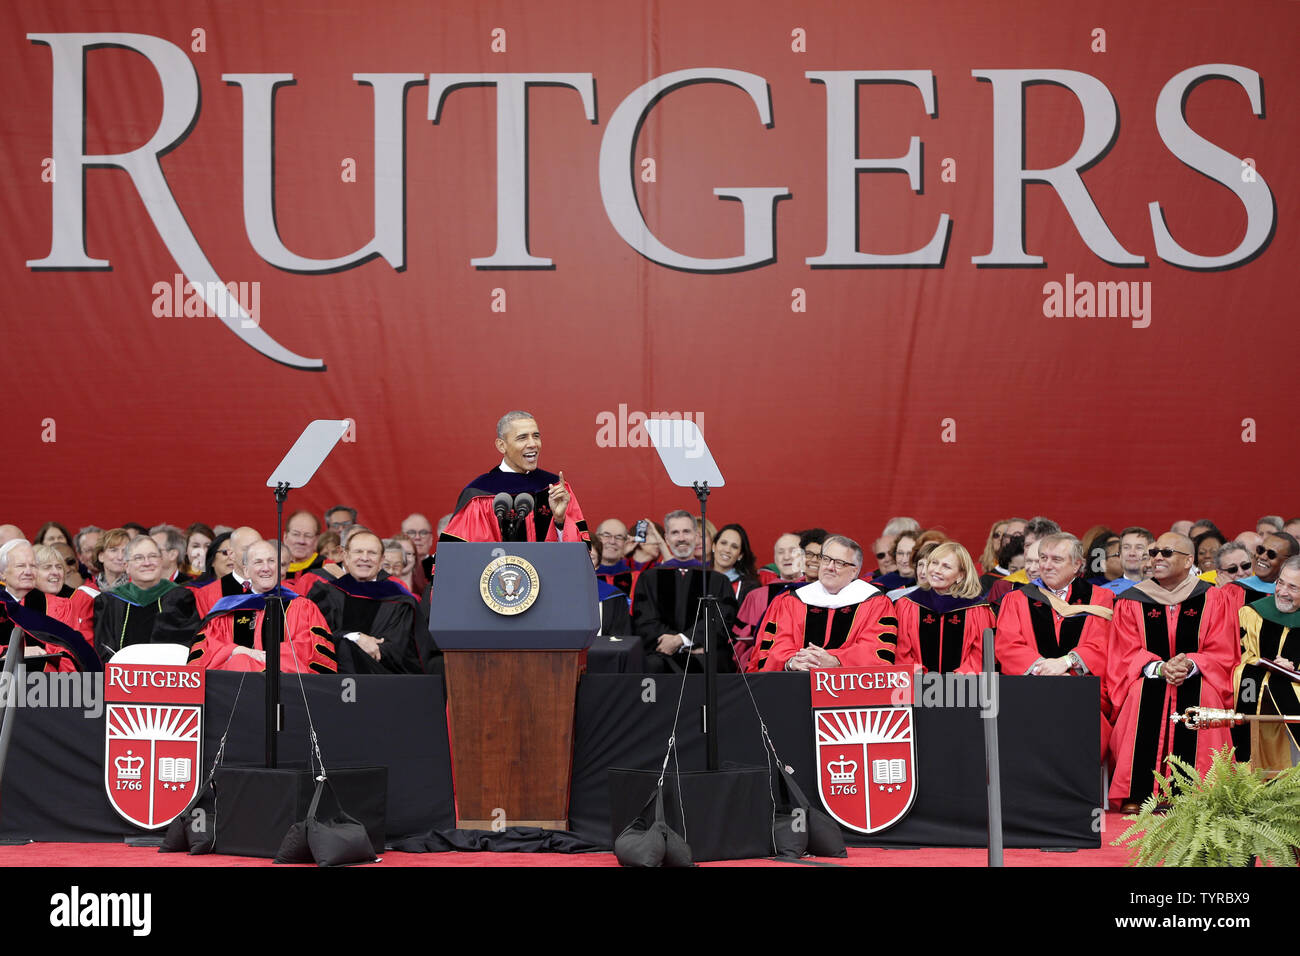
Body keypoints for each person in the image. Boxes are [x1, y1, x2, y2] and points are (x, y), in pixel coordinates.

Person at [1106, 532, 1237, 812]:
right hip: (1150, 676)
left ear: (1189, 560)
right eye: (1154, 553)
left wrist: (1190, 664)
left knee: (1207, 695)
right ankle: (1138, 790)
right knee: (1140, 692)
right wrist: (1160, 667)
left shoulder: (1213, 597)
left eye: (1166, 553)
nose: (1157, 558)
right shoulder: (1133, 599)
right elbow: (1124, 652)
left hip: (1199, 676)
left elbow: (1223, 650)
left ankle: (1203, 792)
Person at [995, 532, 1114, 754]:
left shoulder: (1100, 598)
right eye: (1043, 558)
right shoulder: (1017, 599)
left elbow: (1103, 644)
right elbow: (1008, 645)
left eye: (1056, 559)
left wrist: (1067, 663)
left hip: (1082, 691)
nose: (1046, 565)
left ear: (1077, 564)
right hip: (1030, 689)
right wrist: (1045, 668)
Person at [436, 411, 588, 551]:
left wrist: (560, 521)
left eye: (536, 436)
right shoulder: (480, 494)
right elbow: (461, 557)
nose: (533, 444)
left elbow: (580, 555)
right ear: (502, 446)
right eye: (522, 437)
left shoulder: (554, 488)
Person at [748, 535, 896, 672]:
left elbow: (876, 649)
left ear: (854, 571)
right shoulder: (794, 600)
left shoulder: (875, 602)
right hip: (796, 687)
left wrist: (836, 660)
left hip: (851, 691)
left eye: (839, 563)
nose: (829, 567)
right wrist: (792, 661)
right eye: (826, 559)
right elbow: (778, 645)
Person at [188, 540, 336, 673]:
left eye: (271, 561)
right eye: (258, 562)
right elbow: (207, 650)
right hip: (235, 693)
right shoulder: (229, 609)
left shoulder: (302, 607)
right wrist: (237, 651)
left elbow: (311, 650)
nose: (266, 568)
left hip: (286, 689)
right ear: (246, 570)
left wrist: (268, 657)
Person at [306, 529, 433, 674]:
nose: (365, 558)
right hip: (334, 680)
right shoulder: (325, 594)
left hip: (384, 680)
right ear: (346, 557)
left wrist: (374, 649)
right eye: (358, 552)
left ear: (381, 561)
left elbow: (402, 649)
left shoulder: (400, 600)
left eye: (372, 553)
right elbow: (314, 638)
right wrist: (355, 638)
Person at [631, 510, 738, 673]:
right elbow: (644, 621)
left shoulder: (717, 580)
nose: (681, 538)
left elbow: (722, 621)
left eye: (686, 532)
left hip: (704, 654)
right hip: (661, 654)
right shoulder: (649, 578)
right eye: (675, 533)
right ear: (667, 538)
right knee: (651, 665)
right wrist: (675, 644)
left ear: (696, 536)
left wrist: (682, 640)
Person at [1231, 556, 1300, 770]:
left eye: (1293, 587)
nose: (1282, 592)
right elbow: (1238, 654)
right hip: (1255, 689)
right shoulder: (1252, 613)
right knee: (1247, 677)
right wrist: (1271, 666)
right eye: (1280, 582)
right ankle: (1245, 774)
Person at [893, 542, 995, 674]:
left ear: (961, 575)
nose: (936, 570)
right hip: (915, 686)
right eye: (934, 563)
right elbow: (901, 651)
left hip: (964, 688)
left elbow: (980, 654)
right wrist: (920, 678)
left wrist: (956, 680)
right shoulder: (907, 605)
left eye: (946, 566)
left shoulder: (977, 609)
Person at [92, 535, 200, 659]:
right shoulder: (109, 601)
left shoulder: (181, 598)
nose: (147, 563)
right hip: (123, 675)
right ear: (126, 566)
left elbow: (188, 643)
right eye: (138, 558)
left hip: (168, 674)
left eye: (153, 556)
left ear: (160, 561)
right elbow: (103, 647)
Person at [192, 527, 262, 615]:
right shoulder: (206, 595)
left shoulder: (278, 589)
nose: (255, 554)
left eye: (259, 548)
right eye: (247, 549)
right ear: (232, 554)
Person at [585, 536, 633, 637]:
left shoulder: (614, 597)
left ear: (597, 565)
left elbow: (620, 640)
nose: (584, 561)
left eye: (591, 557)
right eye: (579, 555)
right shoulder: (555, 596)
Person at [1101, 526, 1154, 595]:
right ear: (1120, 554)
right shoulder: (1104, 592)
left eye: (1139, 547)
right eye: (1126, 547)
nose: (1132, 553)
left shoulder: (1163, 591)